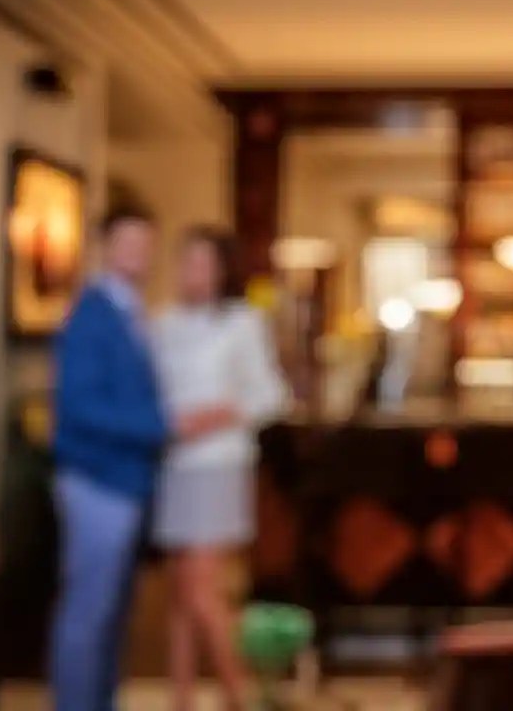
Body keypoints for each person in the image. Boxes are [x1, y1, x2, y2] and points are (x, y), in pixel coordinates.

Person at [51, 210, 230, 711]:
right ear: (105, 247)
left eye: (145, 244)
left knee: (111, 616)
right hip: (97, 481)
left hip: (129, 482)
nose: (137, 253)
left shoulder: (133, 313)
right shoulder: (92, 313)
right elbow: (80, 406)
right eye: (126, 242)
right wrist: (164, 426)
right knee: (87, 615)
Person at [151, 228, 288, 710]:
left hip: (219, 465)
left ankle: (239, 695)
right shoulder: (164, 325)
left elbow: (271, 396)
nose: (193, 272)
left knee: (202, 591)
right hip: (174, 466)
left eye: (203, 263)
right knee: (179, 596)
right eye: (186, 261)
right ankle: (181, 698)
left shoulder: (241, 323)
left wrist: (213, 416)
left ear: (221, 271)